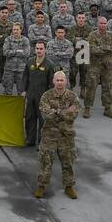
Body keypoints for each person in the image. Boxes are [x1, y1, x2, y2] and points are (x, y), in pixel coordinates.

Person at [35, 71, 78, 199]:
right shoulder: (46, 96)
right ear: (53, 81)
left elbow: (73, 115)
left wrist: (56, 112)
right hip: (49, 134)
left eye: (62, 80)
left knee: (68, 161)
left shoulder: (72, 96)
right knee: (45, 161)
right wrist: (63, 112)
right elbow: (46, 114)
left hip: (66, 135)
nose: (59, 82)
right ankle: (42, 186)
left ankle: (69, 186)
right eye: (57, 80)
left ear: (66, 81)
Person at [21, 40, 54, 146]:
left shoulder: (50, 64)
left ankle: (42, 142)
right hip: (30, 95)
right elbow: (25, 77)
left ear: (45, 50)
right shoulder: (30, 62)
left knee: (43, 120)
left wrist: (49, 97)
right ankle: (30, 139)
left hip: (43, 96)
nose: (39, 51)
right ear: (34, 49)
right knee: (29, 117)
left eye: (41, 49)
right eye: (37, 48)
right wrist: (23, 90)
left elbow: (51, 83)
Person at [86, 16, 112, 118]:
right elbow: (92, 49)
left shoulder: (111, 35)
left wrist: (101, 48)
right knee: (91, 87)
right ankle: (87, 108)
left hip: (108, 66)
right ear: (97, 24)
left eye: (105, 23)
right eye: (101, 23)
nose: (103, 25)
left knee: (108, 87)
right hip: (94, 65)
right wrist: (107, 48)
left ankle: (107, 108)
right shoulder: (92, 35)